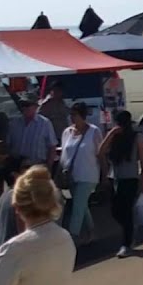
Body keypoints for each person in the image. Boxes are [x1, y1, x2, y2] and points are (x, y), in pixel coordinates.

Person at [99, 110, 143, 258]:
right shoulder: (114, 138)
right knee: (115, 211)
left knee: (125, 210)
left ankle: (126, 243)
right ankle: (130, 231)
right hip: (116, 178)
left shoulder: (137, 137)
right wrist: (111, 134)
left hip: (131, 179)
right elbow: (100, 151)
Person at [60, 103, 102, 244]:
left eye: (75, 115)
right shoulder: (67, 132)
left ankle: (72, 238)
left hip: (88, 175)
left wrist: (105, 173)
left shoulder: (94, 132)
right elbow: (64, 155)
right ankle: (91, 231)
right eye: (71, 114)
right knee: (82, 206)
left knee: (77, 207)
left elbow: (100, 154)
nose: (72, 117)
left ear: (82, 116)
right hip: (72, 175)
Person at [7, 99, 57, 168]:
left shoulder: (45, 123)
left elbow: (52, 147)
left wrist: (48, 168)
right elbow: (7, 146)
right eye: (23, 105)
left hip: (36, 166)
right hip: (16, 165)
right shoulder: (14, 123)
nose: (24, 108)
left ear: (36, 107)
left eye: (27, 105)